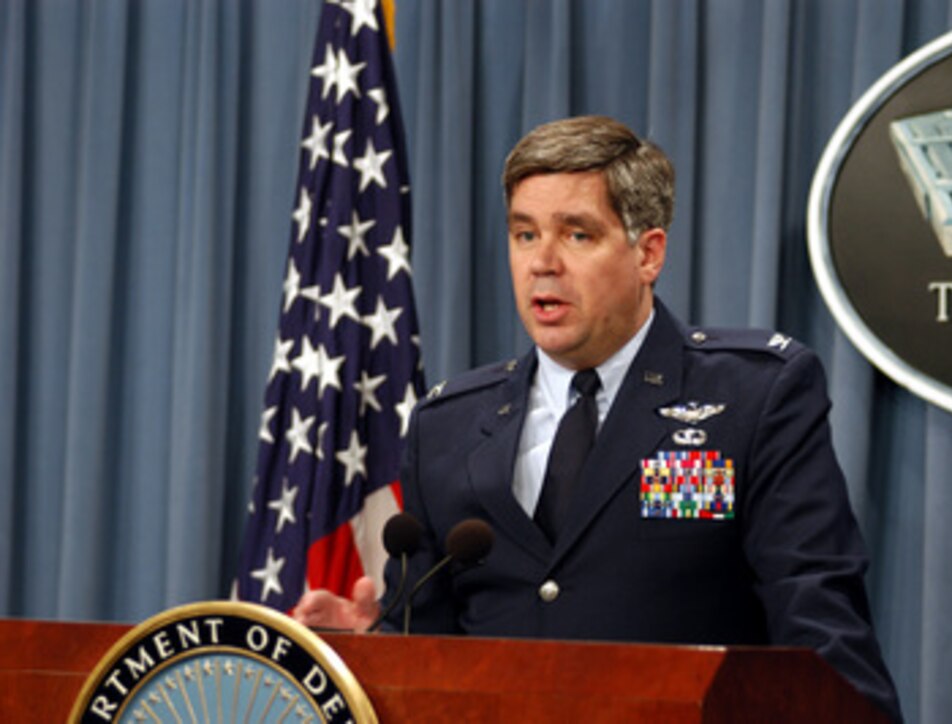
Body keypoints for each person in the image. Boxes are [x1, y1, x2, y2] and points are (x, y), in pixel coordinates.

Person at [295, 115, 902, 721]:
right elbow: (424, 648)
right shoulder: (447, 425)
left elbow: (819, 627)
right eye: (524, 234)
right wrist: (366, 654)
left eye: (577, 235)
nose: (543, 263)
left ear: (648, 254)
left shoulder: (754, 397)